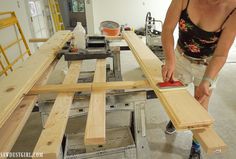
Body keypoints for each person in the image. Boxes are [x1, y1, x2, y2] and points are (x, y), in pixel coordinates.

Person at [161, 0, 236, 158]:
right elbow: (167, 29)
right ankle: (175, 120)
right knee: (175, 96)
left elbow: (221, 54)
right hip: (179, 58)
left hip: (207, 65)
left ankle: (195, 144)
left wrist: (207, 80)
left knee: (201, 107)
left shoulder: (233, 11)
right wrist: (170, 60)